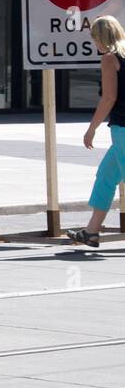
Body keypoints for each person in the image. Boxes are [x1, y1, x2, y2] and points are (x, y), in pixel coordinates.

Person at [69, 16, 125, 248]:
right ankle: (91, 232)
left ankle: (92, 231)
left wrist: (91, 128)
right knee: (106, 176)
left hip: (122, 128)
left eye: (94, 39)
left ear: (100, 38)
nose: (95, 45)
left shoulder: (110, 59)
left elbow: (109, 97)